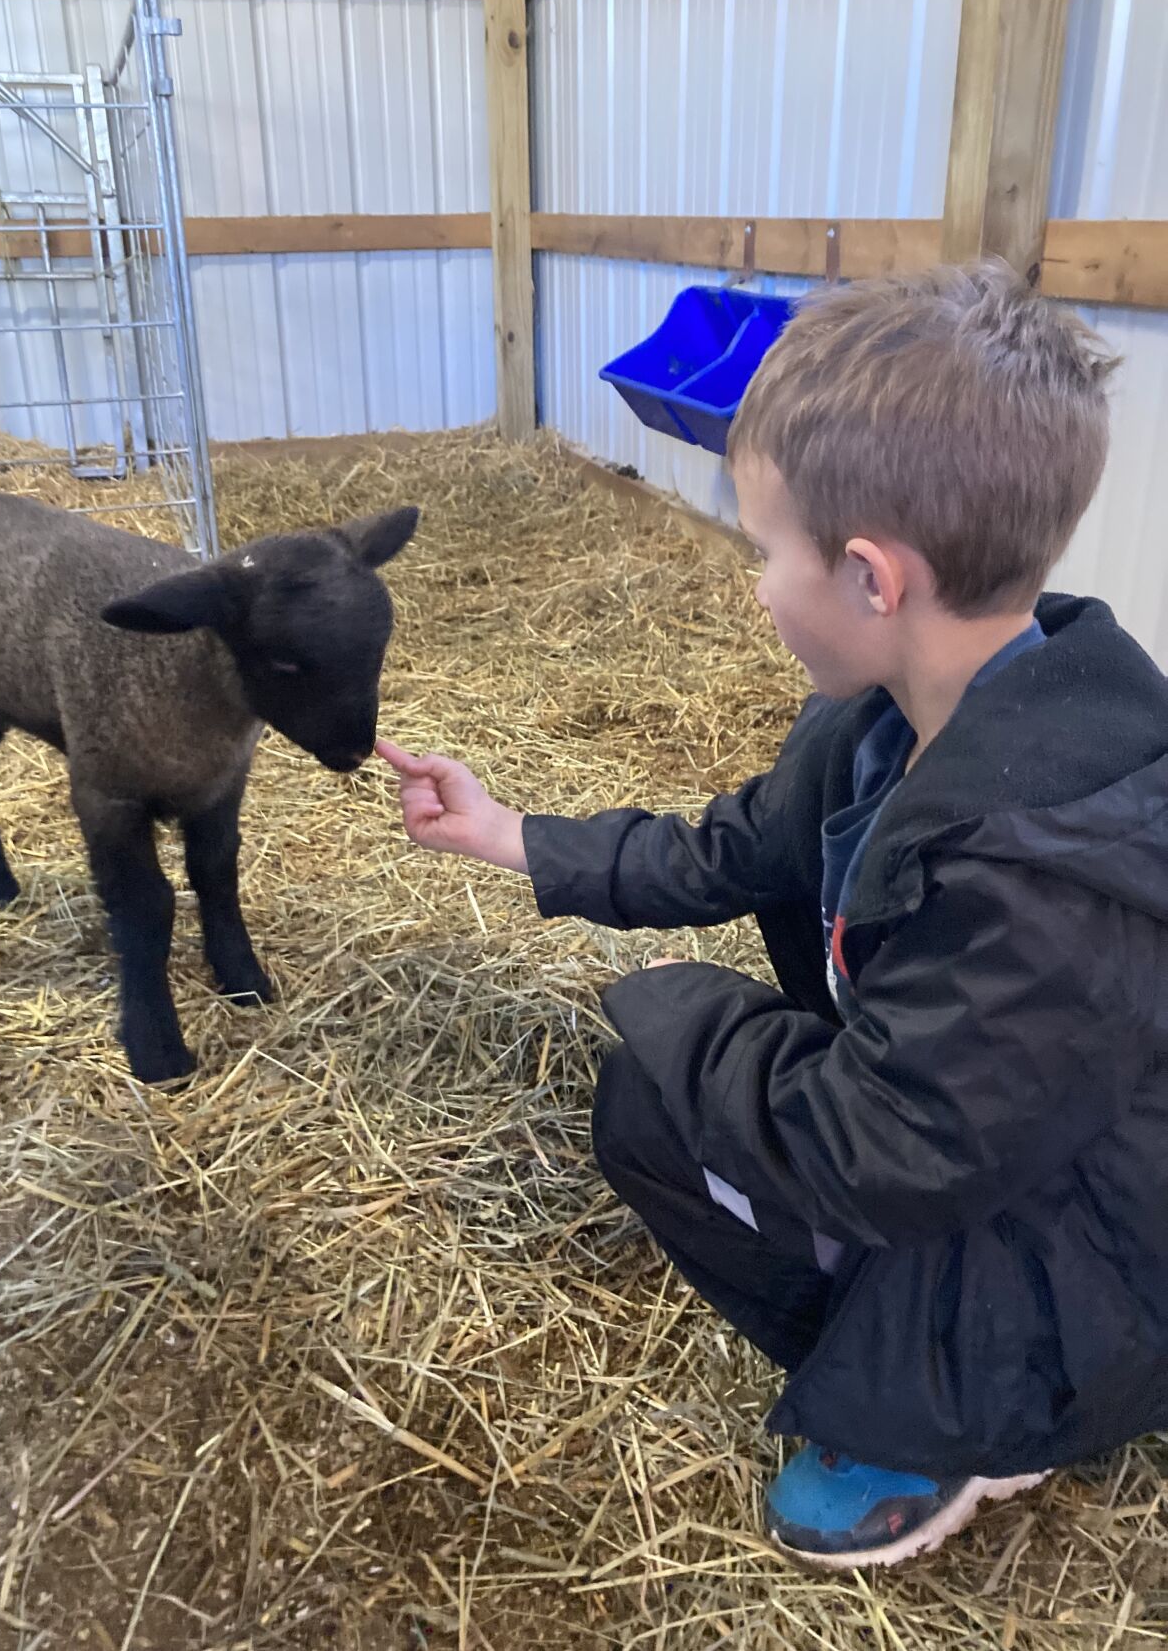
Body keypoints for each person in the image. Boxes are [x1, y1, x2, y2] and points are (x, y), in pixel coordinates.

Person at [376, 260, 1168, 1570]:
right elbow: (733, 848)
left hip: (1090, 1261)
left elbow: (880, 1149)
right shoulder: (887, 722)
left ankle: (969, 1424)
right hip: (985, 1142)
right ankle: (923, 1350)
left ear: (871, 578)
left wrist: (682, 1006)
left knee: (663, 1079)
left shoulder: (1042, 874)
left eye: (762, 552)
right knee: (650, 1104)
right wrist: (507, 834)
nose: (752, 588)